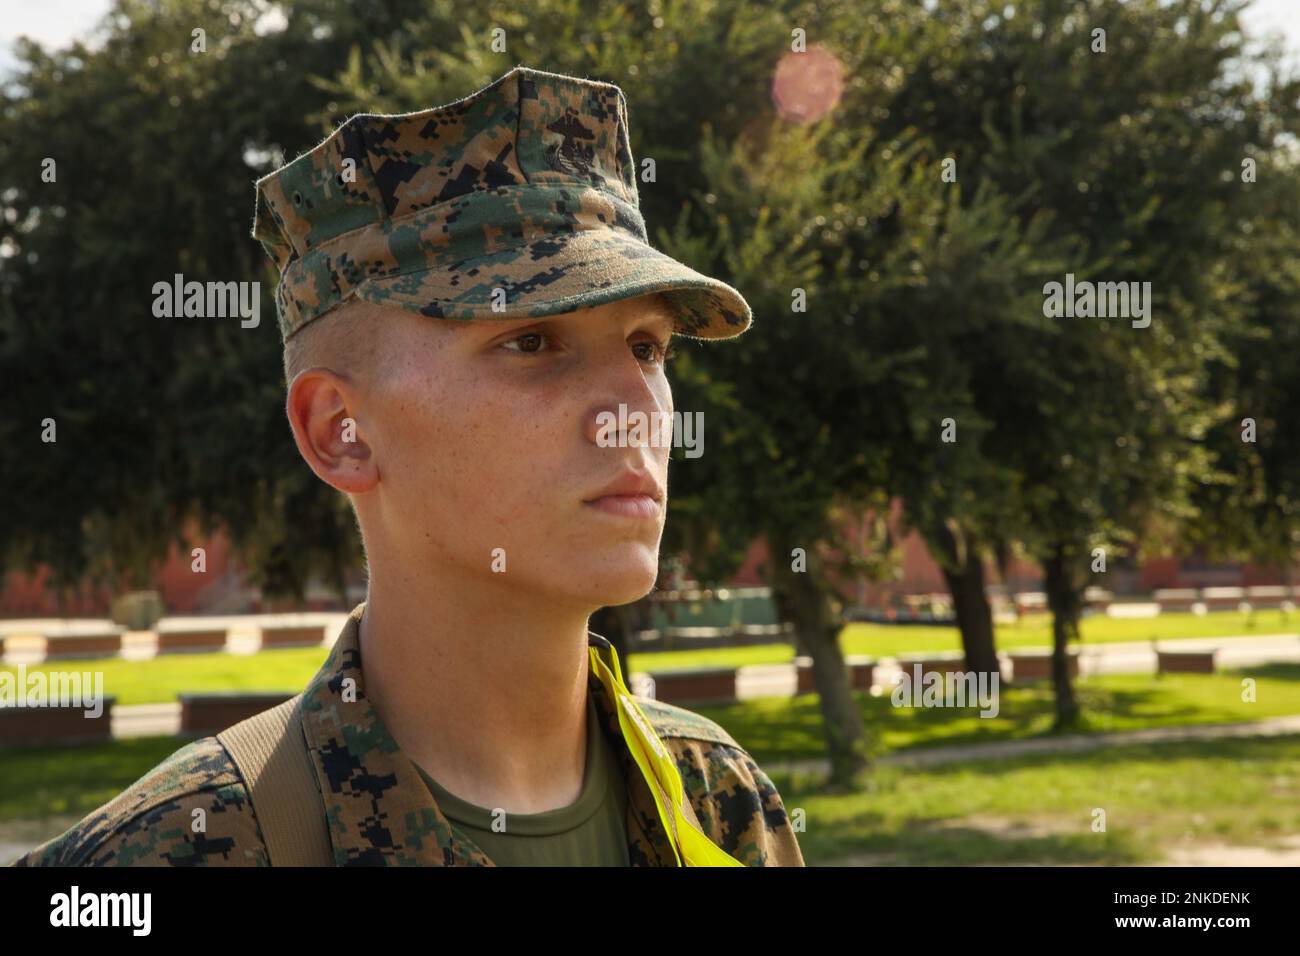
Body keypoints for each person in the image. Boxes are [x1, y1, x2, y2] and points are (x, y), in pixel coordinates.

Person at [11, 65, 804, 867]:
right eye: (531, 342)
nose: (632, 410)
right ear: (341, 430)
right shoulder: (173, 856)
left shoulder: (719, 803)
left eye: (647, 348)